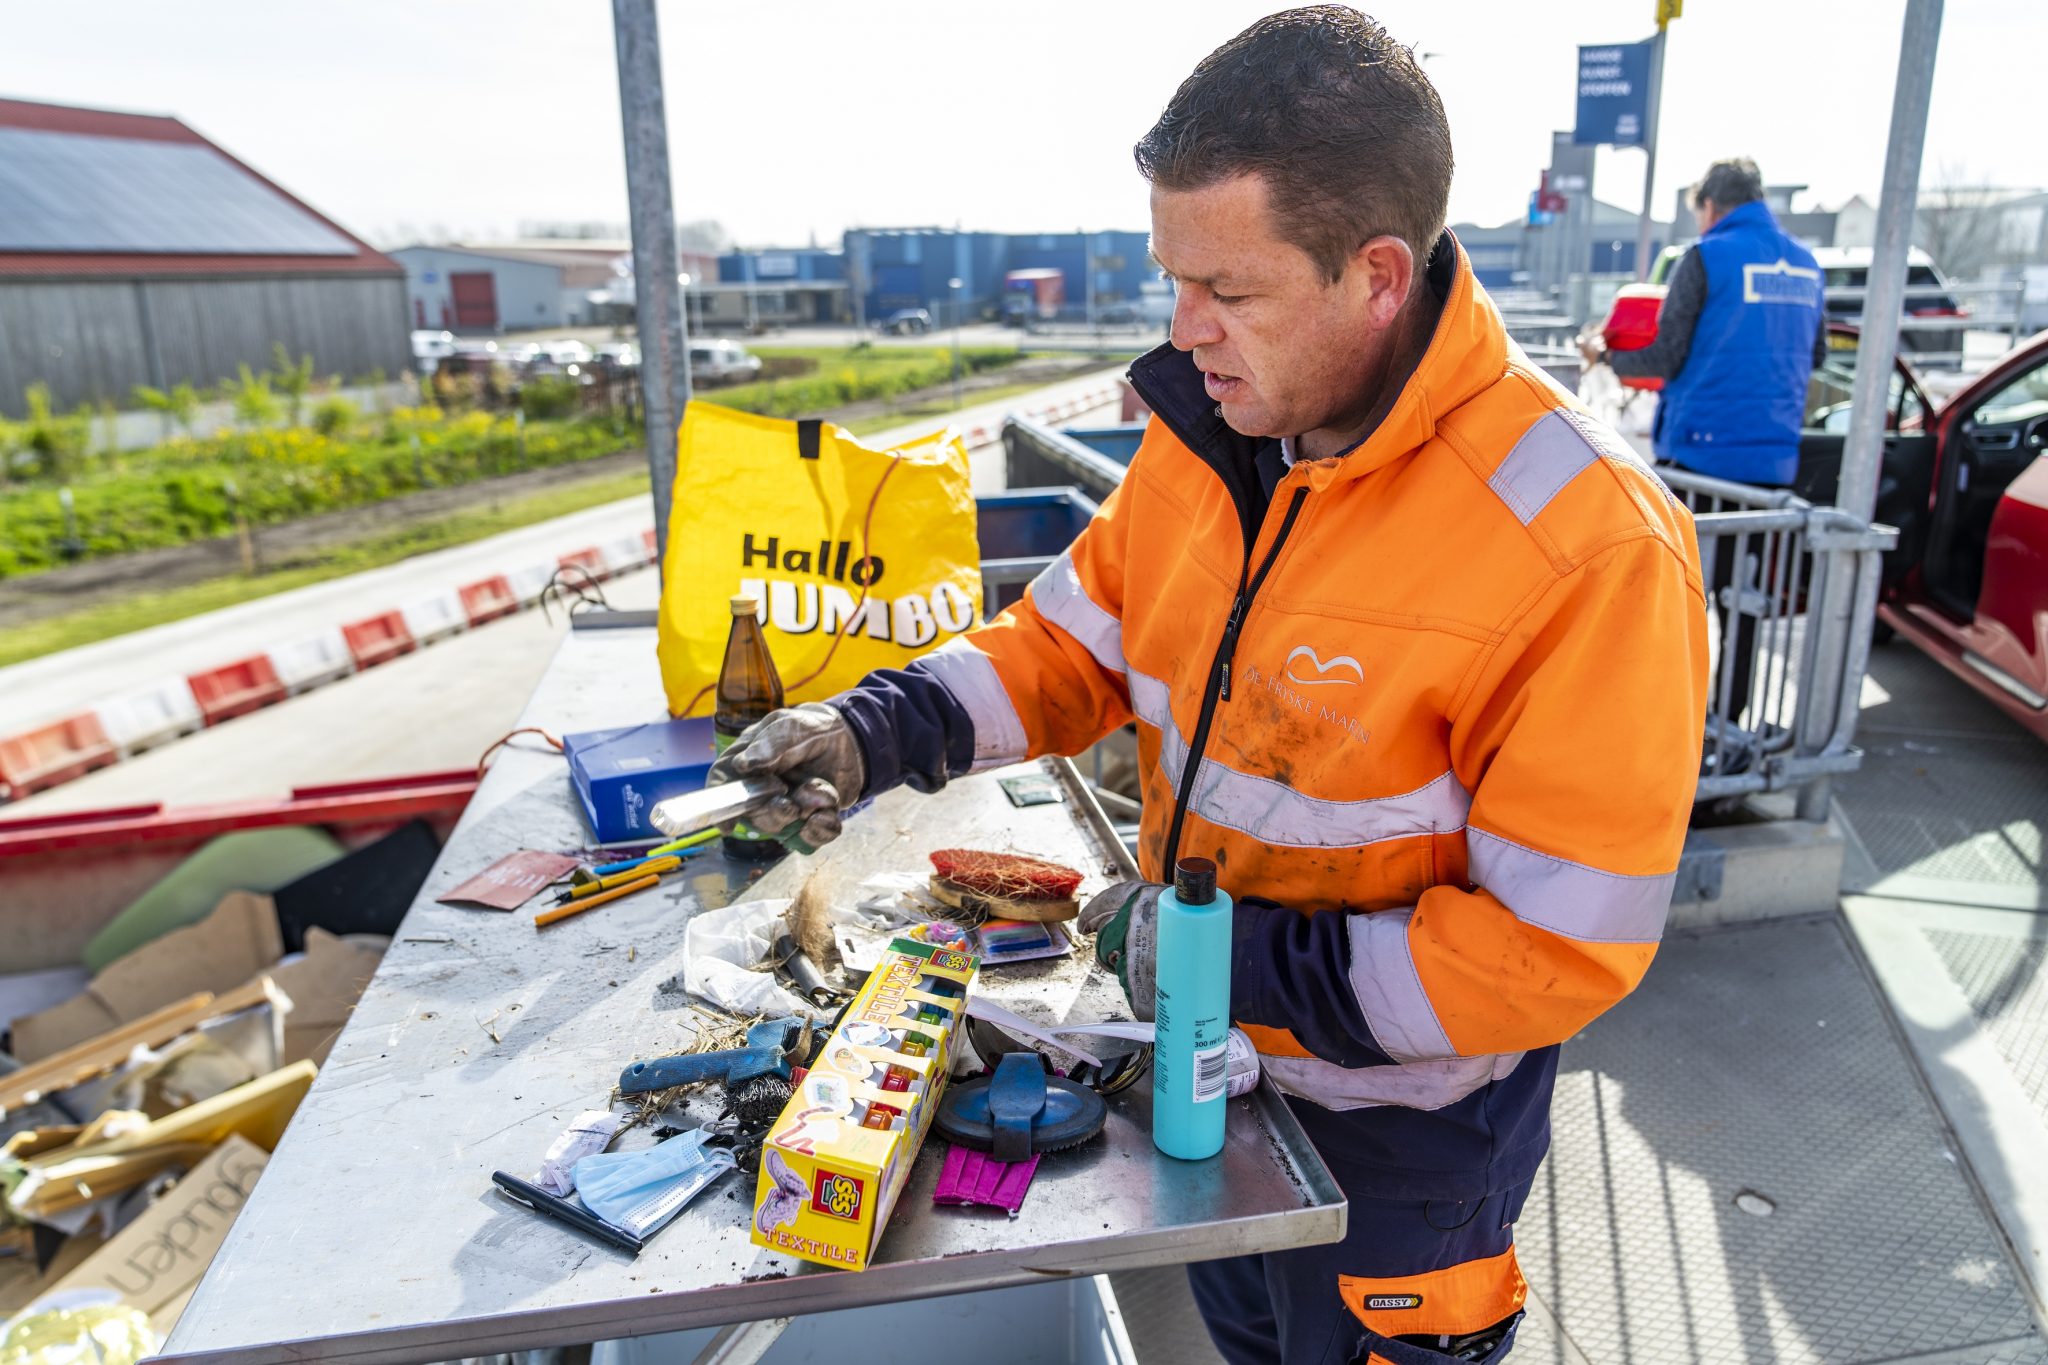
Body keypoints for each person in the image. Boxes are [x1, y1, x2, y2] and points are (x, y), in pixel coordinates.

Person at [713, 10, 1707, 1362]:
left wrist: (1210, 957)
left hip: (1396, 1162)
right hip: (1212, 1072)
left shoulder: (1583, 543)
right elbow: (1074, 645)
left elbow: (1552, 953)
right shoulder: (1216, 435)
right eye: (1171, 280)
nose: (1184, 333)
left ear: (1376, 277)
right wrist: (869, 730)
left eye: (1228, 293)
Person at [1583, 159, 1826, 734]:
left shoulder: (1706, 257)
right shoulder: (1808, 265)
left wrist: (1606, 356)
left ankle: (1673, 727)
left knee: (1681, 599)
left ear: (1710, 206)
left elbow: (1664, 357)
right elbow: (1814, 357)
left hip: (1700, 460)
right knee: (1745, 601)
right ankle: (1729, 717)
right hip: (1772, 464)